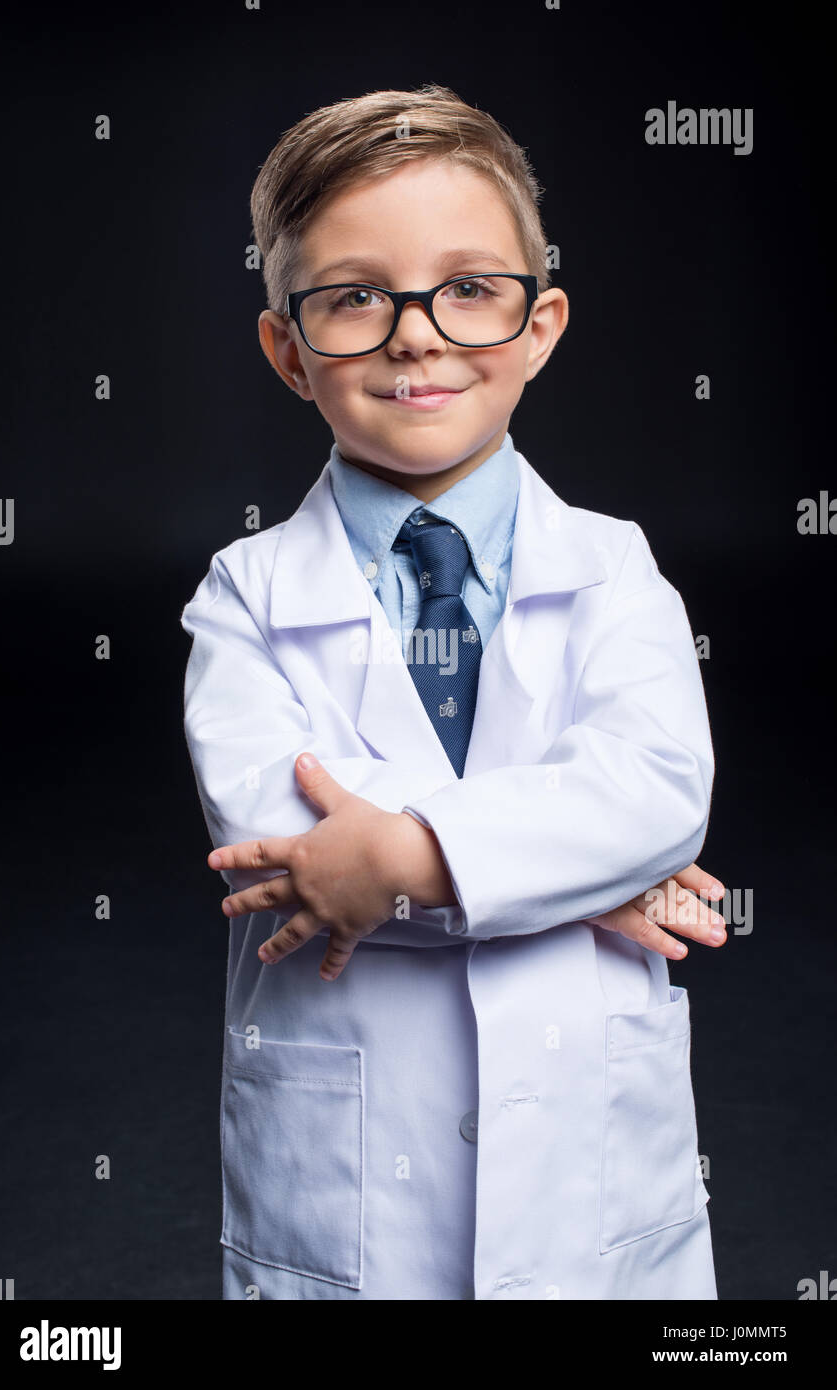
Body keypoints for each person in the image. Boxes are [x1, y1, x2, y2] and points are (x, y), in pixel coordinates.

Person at [180, 84, 727, 1301]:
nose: (416, 334)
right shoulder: (245, 598)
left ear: (542, 325)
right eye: (355, 296)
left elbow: (653, 791)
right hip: (351, 1196)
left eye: (471, 288)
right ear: (287, 348)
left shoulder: (615, 565)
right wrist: (581, 874)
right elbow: (288, 853)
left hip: (591, 1189)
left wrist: (413, 859)